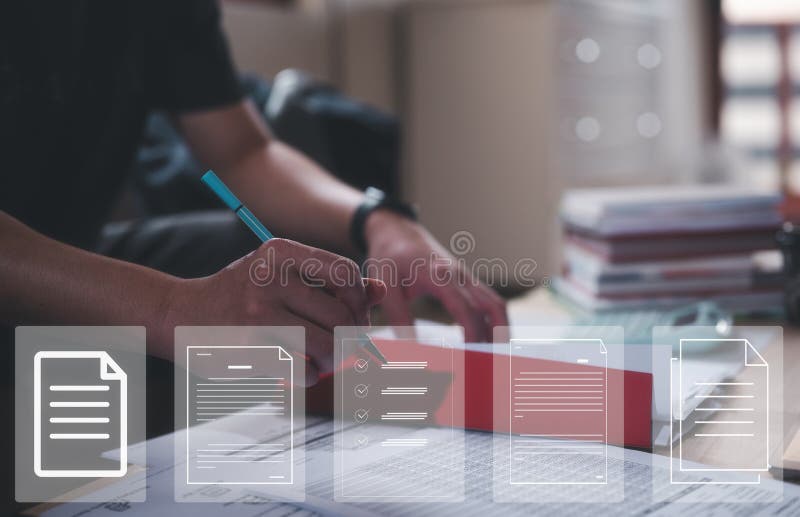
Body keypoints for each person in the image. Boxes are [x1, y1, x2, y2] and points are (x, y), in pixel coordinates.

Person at [0, 0, 507, 381]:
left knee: (288, 263)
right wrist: (175, 309)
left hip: (77, 248)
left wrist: (379, 220)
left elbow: (243, 153)